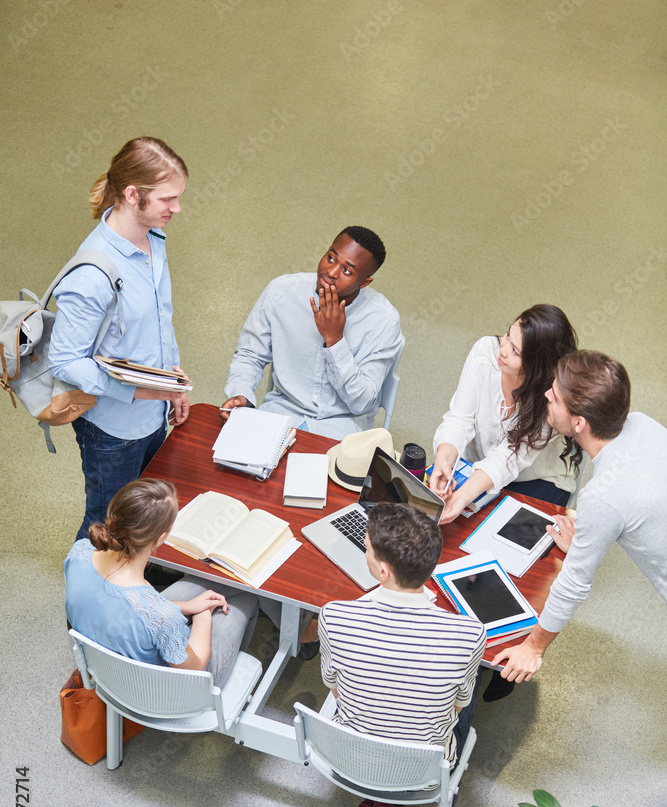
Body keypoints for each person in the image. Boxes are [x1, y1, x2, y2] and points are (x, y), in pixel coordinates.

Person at [492, 350, 667, 685]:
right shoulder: (642, 423)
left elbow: (573, 585)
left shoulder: (603, 497)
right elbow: (639, 506)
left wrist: (533, 648)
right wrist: (588, 538)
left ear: (578, 423)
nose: (546, 394)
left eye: (555, 397)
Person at [49, 137, 191, 541]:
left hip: (153, 413)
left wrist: (172, 381)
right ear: (133, 195)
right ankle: (89, 593)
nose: (176, 208)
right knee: (108, 522)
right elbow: (64, 361)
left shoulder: (152, 240)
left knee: (146, 510)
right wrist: (139, 393)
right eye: (168, 199)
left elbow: (161, 318)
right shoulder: (92, 276)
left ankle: (133, 583)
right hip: (111, 429)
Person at [319, 504, 486, 807]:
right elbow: (455, 708)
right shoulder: (470, 634)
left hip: (348, 759)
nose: (364, 551)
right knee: (469, 684)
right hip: (422, 775)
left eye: (365, 547)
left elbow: (335, 691)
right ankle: (390, 801)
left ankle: (380, 799)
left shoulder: (334, 617)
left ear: (382, 571)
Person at [65, 479, 259, 687]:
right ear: (161, 539)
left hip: (107, 672)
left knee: (217, 583)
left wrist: (187, 607)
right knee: (247, 595)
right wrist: (202, 615)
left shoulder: (79, 553)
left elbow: (120, 606)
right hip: (164, 696)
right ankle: (224, 686)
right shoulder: (160, 613)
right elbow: (194, 668)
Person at [220, 226, 404, 440]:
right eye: (331, 258)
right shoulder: (281, 292)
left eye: (347, 271)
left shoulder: (384, 321)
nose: (331, 272)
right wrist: (240, 393)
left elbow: (362, 402)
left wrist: (335, 341)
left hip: (343, 429)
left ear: (364, 282)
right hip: (281, 412)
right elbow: (250, 355)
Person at [431, 304, 579, 521]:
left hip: (534, 479)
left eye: (515, 351)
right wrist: (443, 461)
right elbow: (459, 419)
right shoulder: (484, 352)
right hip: (480, 465)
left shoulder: (552, 399)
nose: (502, 349)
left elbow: (507, 458)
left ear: (537, 366)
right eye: (508, 335)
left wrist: (462, 496)